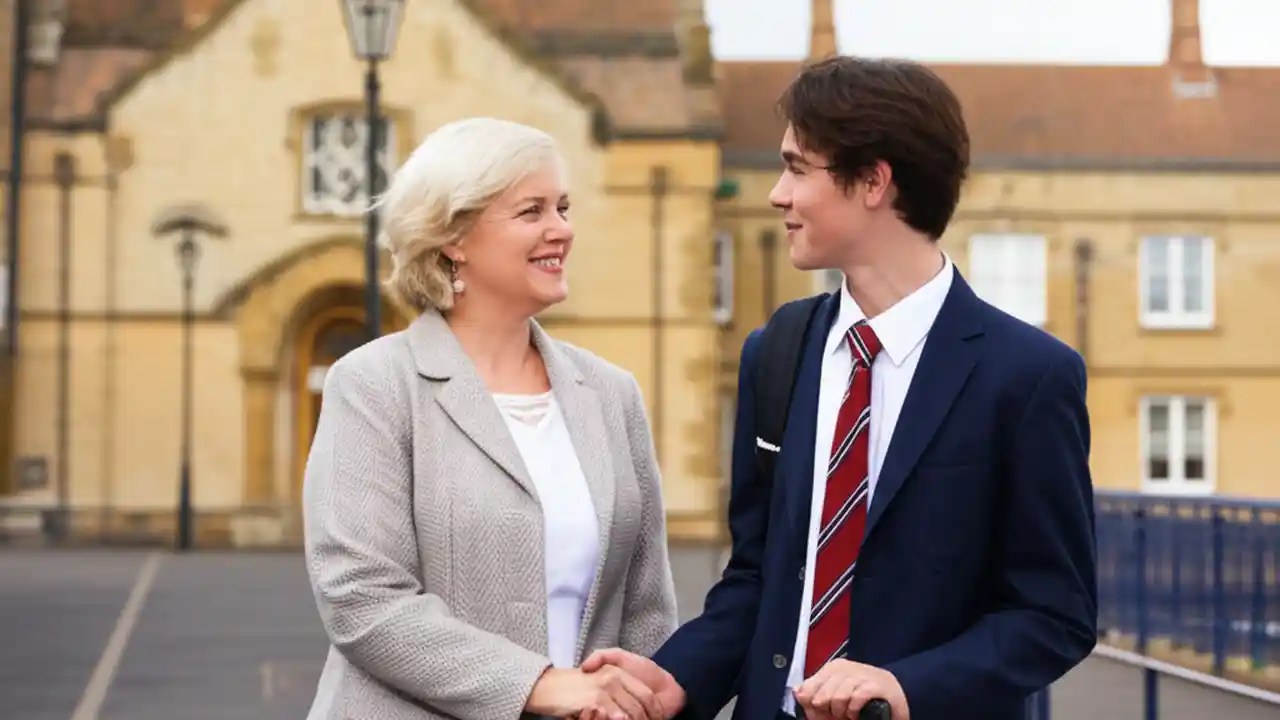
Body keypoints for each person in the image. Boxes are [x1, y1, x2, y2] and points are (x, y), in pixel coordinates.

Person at [582, 56, 1098, 720]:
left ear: (874, 181)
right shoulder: (777, 353)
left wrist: (906, 687)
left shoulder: (1027, 376)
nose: (778, 194)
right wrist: (675, 677)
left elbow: (1054, 614)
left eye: (798, 168)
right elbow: (758, 579)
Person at [302, 117, 678, 720]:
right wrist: (540, 685)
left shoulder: (611, 394)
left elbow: (647, 611)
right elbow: (362, 596)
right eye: (532, 212)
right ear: (453, 237)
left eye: (563, 207)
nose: (562, 230)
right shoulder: (373, 384)